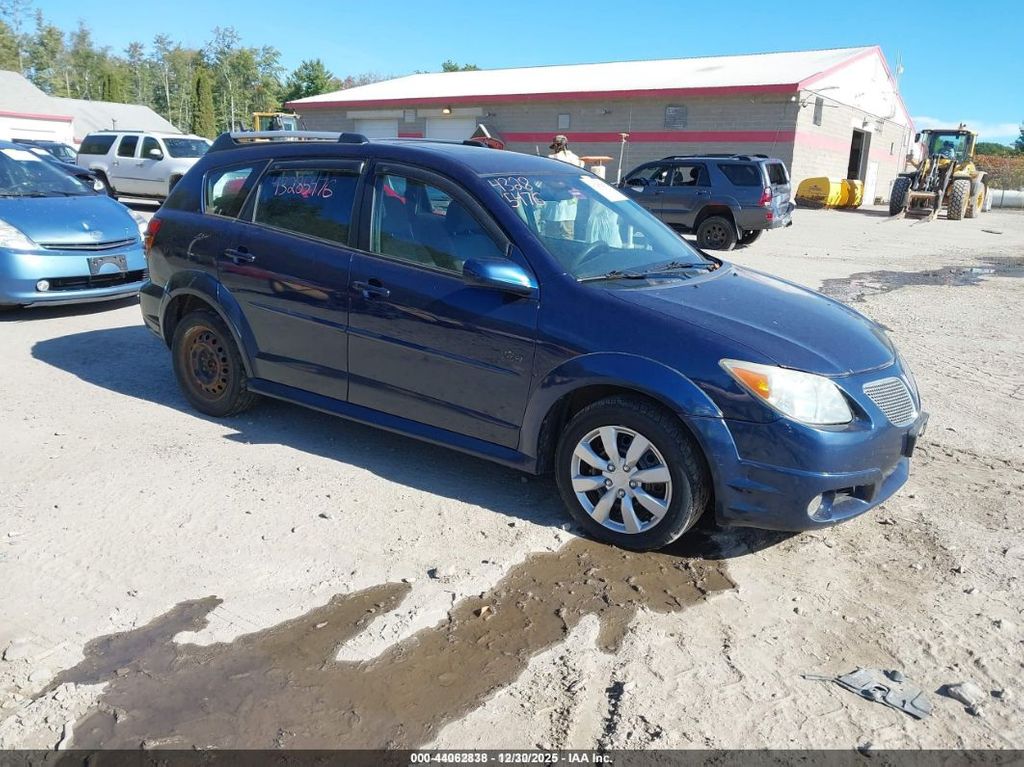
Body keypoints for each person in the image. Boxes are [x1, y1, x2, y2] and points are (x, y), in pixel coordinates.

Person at [544, 135, 584, 238]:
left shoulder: (552, 158)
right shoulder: (577, 159)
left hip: (555, 201)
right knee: (568, 235)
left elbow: (548, 180)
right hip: (571, 203)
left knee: (552, 236)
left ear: (556, 146)